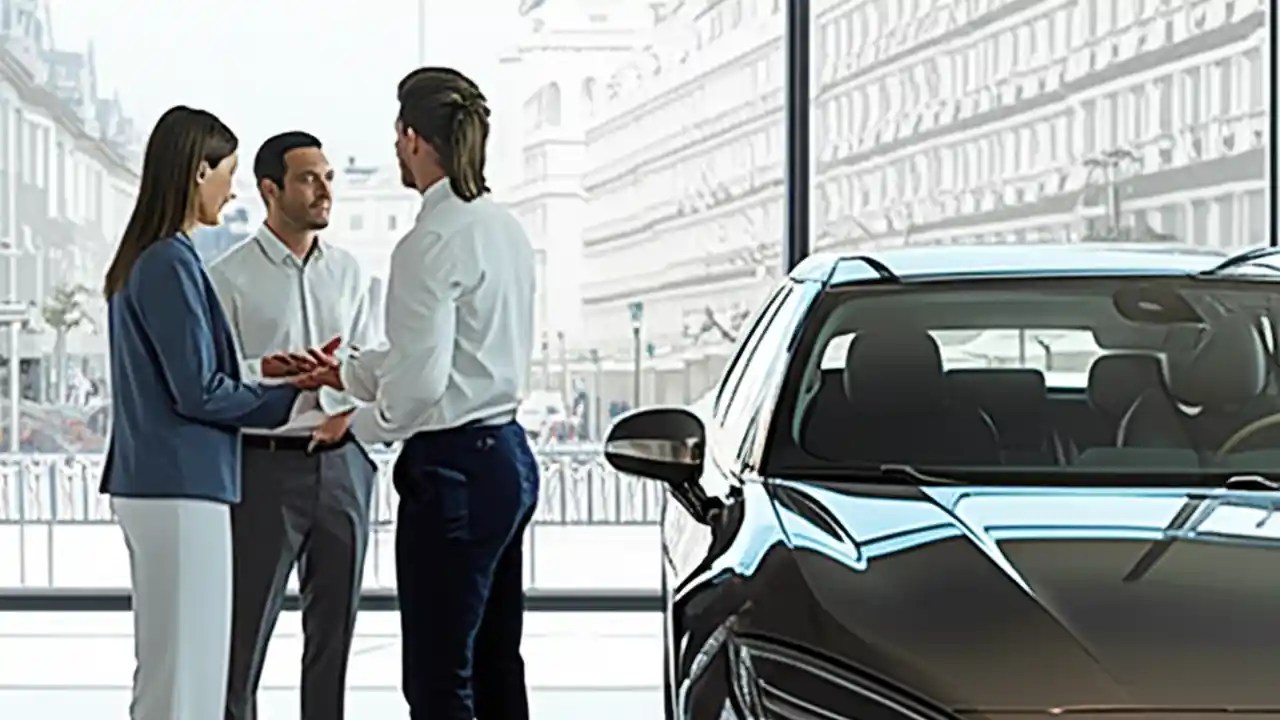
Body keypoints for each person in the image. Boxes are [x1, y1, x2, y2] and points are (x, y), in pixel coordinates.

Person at [309, 67, 539, 719]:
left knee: (438, 680)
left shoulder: (428, 242)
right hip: (508, 460)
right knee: (496, 664)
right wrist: (345, 371)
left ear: (411, 138)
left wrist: (354, 421)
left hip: (454, 472)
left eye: (397, 138)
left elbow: (420, 386)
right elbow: (446, 356)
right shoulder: (503, 229)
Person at [99, 106, 339, 720]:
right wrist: (300, 398)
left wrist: (262, 371)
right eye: (227, 173)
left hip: (170, 482)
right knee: (184, 671)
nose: (232, 191)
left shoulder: (155, 258)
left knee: (182, 666)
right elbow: (198, 392)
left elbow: (189, 373)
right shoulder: (169, 262)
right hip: (179, 484)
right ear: (197, 171)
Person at [209, 131, 381, 720]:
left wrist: (343, 385)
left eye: (328, 177)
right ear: (269, 189)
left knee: (334, 637)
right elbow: (216, 377)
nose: (324, 190)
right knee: (242, 638)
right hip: (262, 468)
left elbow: (370, 364)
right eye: (309, 179)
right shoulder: (226, 277)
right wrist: (272, 370)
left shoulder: (351, 272)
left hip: (343, 464)